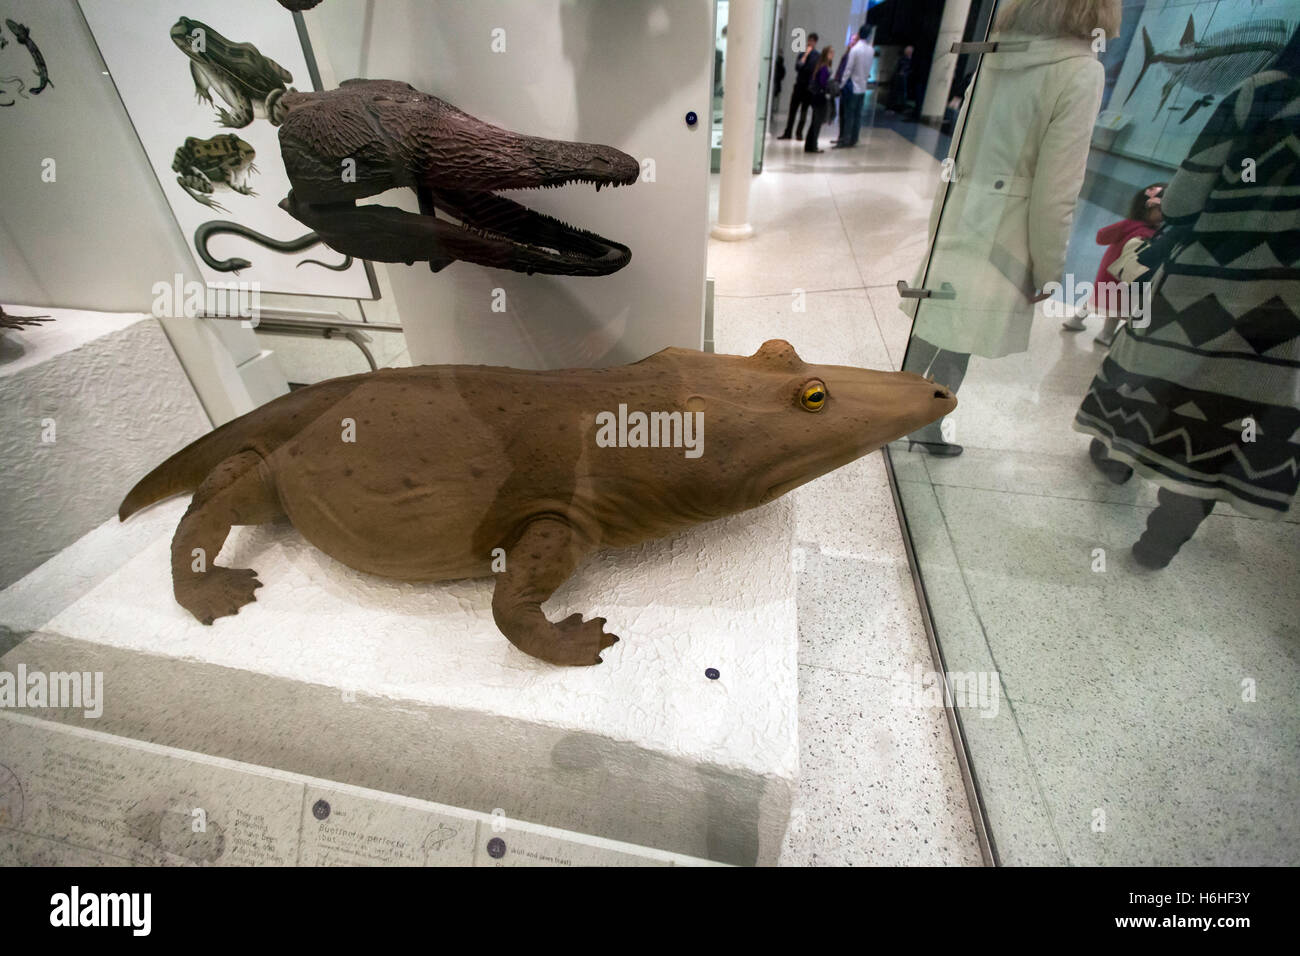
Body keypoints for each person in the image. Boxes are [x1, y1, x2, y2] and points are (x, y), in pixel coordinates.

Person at [1076, 28, 1300, 568]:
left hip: (1204, 280)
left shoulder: (1262, 93)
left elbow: (1183, 198)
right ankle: (1164, 536)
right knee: (1232, 410)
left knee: (1149, 369)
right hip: (1283, 310)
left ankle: (1116, 456)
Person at [899, 0, 1117, 455]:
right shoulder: (1080, 71)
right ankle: (926, 425)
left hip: (961, 213)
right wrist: (1048, 270)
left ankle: (897, 414)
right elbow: (1056, 190)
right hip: (1006, 230)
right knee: (961, 335)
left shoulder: (997, 57)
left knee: (934, 322)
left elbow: (955, 153)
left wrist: (939, 222)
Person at [1061, 183, 1165, 344]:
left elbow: (1102, 236)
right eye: (1160, 210)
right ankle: (1106, 334)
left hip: (1109, 269)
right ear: (1147, 207)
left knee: (1098, 296)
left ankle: (1075, 320)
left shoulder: (1128, 225)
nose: (1163, 216)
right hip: (1127, 274)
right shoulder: (1151, 233)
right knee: (1117, 306)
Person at [834, 25, 874, 148]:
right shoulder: (870, 50)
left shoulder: (855, 50)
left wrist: (841, 84)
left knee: (848, 115)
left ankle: (845, 139)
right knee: (857, 115)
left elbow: (848, 69)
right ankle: (854, 138)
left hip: (853, 87)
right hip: (862, 87)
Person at [778, 33, 820, 140]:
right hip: (799, 86)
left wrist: (804, 65)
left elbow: (810, 69)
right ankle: (788, 131)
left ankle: (799, 132)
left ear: (815, 42)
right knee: (792, 110)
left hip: (807, 88)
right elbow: (798, 67)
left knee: (803, 112)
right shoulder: (802, 54)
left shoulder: (816, 56)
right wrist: (805, 56)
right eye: (808, 40)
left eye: (811, 41)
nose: (809, 43)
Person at [803, 46, 834, 153]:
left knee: (815, 122)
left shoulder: (820, 66)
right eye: (831, 52)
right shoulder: (824, 67)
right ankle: (813, 146)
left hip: (816, 96)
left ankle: (810, 145)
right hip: (820, 97)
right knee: (817, 122)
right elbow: (823, 82)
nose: (832, 54)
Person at [889, 45, 915, 114]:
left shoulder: (911, 60)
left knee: (903, 94)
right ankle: (894, 107)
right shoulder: (903, 59)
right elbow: (899, 68)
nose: (909, 52)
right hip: (900, 78)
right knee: (898, 93)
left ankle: (901, 108)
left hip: (905, 78)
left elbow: (910, 69)